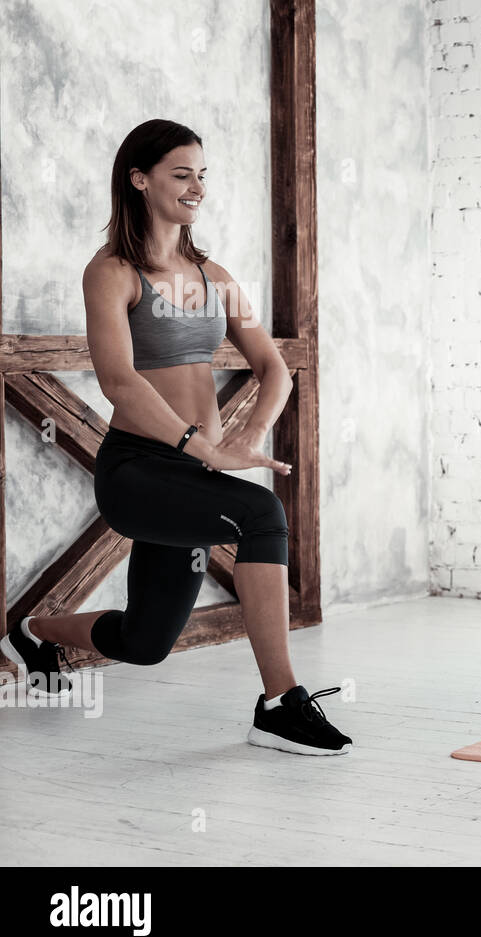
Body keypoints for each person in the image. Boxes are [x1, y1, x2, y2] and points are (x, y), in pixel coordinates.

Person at [0, 119, 351, 756]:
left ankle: (30, 632)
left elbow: (273, 367)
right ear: (139, 179)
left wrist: (248, 432)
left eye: (202, 175)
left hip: (196, 472)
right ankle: (280, 704)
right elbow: (120, 381)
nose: (196, 188)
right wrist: (204, 446)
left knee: (146, 642)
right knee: (263, 514)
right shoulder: (111, 272)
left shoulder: (213, 274)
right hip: (137, 471)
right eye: (180, 174)